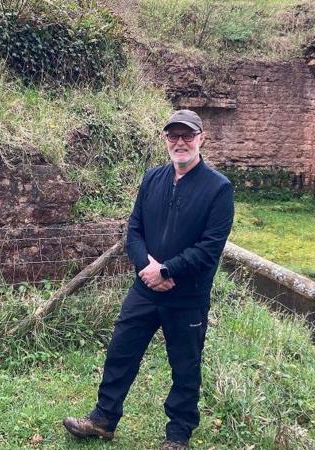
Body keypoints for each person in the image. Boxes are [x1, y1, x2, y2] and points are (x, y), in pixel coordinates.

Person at [63, 109, 235, 450]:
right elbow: (135, 229)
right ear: (165, 140)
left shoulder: (218, 188)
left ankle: (178, 435)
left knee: (185, 365)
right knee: (121, 352)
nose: (180, 142)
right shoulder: (152, 178)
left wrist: (167, 271)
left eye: (187, 135)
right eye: (173, 135)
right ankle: (103, 420)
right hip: (145, 289)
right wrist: (148, 268)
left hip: (187, 295)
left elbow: (210, 248)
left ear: (201, 138)